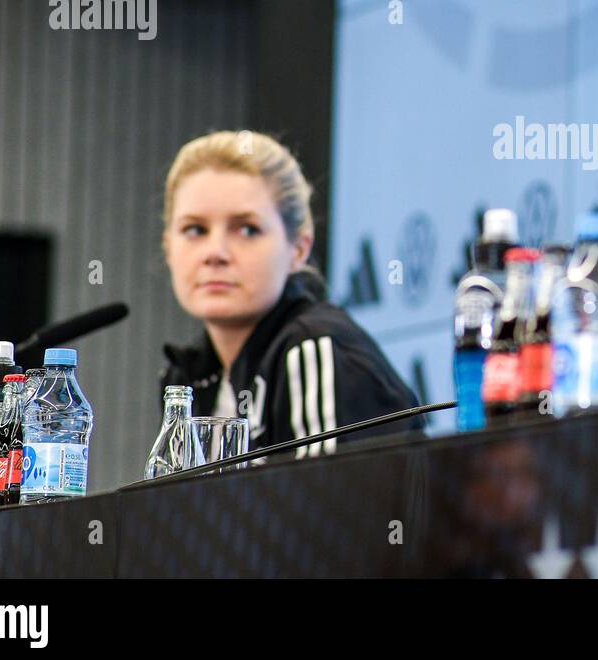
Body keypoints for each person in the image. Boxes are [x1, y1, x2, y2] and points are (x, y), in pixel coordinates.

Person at [159, 130, 423, 456]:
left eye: (247, 229)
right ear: (168, 246)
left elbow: (327, 491)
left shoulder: (316, 350)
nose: (215, 253)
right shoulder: (186, 377)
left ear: (298, 248)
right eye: (195, 230)